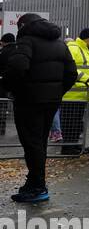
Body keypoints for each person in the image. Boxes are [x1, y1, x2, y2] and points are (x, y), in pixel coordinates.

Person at [1, 13, 76, 202]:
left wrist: (12, 89)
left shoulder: (26, 41)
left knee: (32, 143)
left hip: (29, 101)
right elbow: (71, 73)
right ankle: (34, 182)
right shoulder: (60, 44)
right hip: (51, 101)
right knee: (39, 142)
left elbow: (17, 67)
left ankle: (37, 186)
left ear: (23, 25)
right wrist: (58, 92)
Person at [61, 27, 89, 155]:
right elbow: (67, 67)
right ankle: (68, 148)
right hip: (71, 95)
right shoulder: (74, 49)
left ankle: (75, 145)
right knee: (70, 123)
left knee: (77, 124)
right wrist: (85, 78)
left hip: (82, 95)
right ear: (87, 37)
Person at [0, 32, 15, 138]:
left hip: (2, 85)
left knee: (2, 106)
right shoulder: (19, 50)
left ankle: (1, 128)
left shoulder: (3, 52)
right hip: (15, 84)